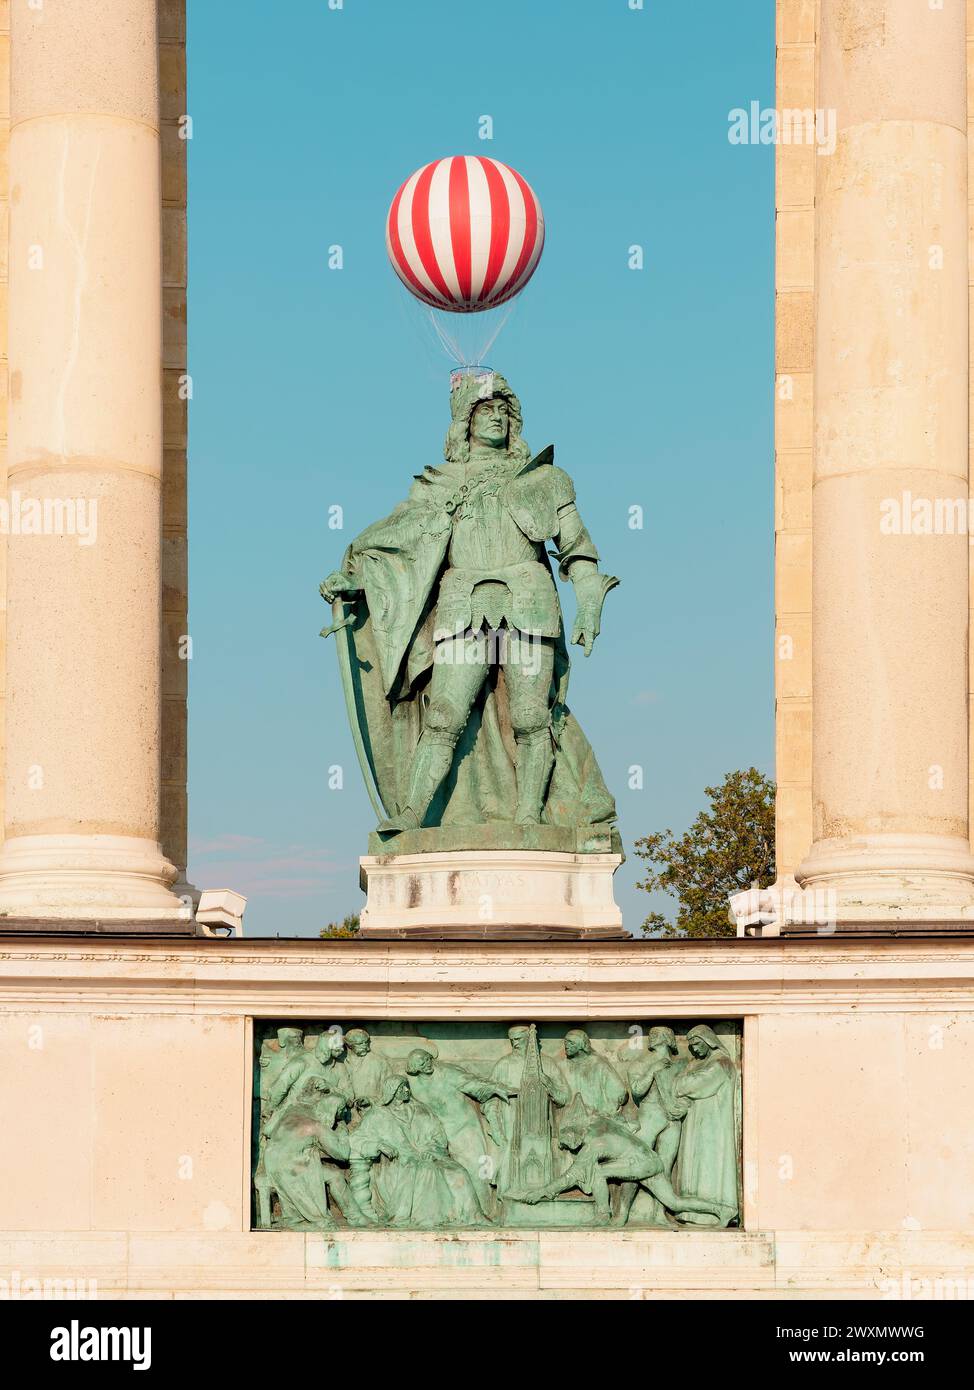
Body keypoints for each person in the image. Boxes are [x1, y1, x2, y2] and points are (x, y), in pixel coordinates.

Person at [319, 372, 619, 833]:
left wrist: (590, 601)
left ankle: (528, 818)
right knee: (443, 716)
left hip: (529, 601)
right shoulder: (438, 483)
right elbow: (398, 540)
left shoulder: (547, 479)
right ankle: (412, 815)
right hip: (462, 605)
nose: (496, 417)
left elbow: (577, 547)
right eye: (485, 410)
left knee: (529, 718)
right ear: (465, 421)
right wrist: (355, 576)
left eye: (504, 410)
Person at [509, 1099, 724, 1228]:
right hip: (650, 1161)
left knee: (599, 1172)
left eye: (571, 1144)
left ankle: (603, 1214)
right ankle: (723, 1210)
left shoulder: (594, 1144)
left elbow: (572, 1175)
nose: (572, 1149)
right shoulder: (598, 1123)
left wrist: (543, 1191)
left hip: (640, 1163)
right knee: (675, 1204)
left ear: (575, 1135)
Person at [348, 1076, 488, 1227]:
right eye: (402, 1088)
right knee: (426, 1170)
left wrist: (430, 1150)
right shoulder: (377, 1115)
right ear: (392, 1092)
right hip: (398, 1163)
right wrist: (379, 1145)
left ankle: (472, 1216)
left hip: (431, 1155)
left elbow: (439, 1137)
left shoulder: (421, 1111)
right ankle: (427, 1220)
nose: (407, 1090)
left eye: (407, 1086)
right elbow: (356, 1139)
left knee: (458, 1172)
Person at [404, 1048, 515, 1210]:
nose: (428, 1065)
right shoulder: (412, 1084)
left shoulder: (447, 1072)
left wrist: (497, 1088)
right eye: (422, 1064)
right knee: (449, 1176)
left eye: (428, 1059)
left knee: (480, 1170)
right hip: (439, 1135)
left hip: (465, 1130)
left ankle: (485, 1210)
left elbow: (472, 1082)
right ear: (415, 1068)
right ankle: (459, 1213)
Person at [262, 1077, 368, 1230]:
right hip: (292, 1169)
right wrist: (342, 1130)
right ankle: (355, 1217)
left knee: (328, 1172)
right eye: (342, 1111)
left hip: (271, 1161)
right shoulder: (317, 1125)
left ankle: (355, 1216)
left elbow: (267, 1130)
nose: (345, 1114)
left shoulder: (291, 1110)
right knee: (336, 1175)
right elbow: (342, 1154)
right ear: (333, 1112)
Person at [673, 1025, 739, 1224]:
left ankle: (710, 1214)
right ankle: (691, 1212)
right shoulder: (697, 1064)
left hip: (712, 1125)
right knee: (691, 1165)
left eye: (697, 1044)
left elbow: (689, 1085)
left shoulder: (721, 1064)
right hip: (694, 1123)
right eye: (691, 1046)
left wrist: (679, 1082)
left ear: (708, 1041)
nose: (694, 1049)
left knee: (707, 1167)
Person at [561, 1029, 628, 1116]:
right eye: (565, 1042)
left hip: (596, 1116)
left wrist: (607, 1108)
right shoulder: (563, 1064)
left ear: (581, 1045)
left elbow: (620, 1093)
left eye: (571, 1042)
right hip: (572, 1115)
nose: (566, 1046)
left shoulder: (598, 1063)